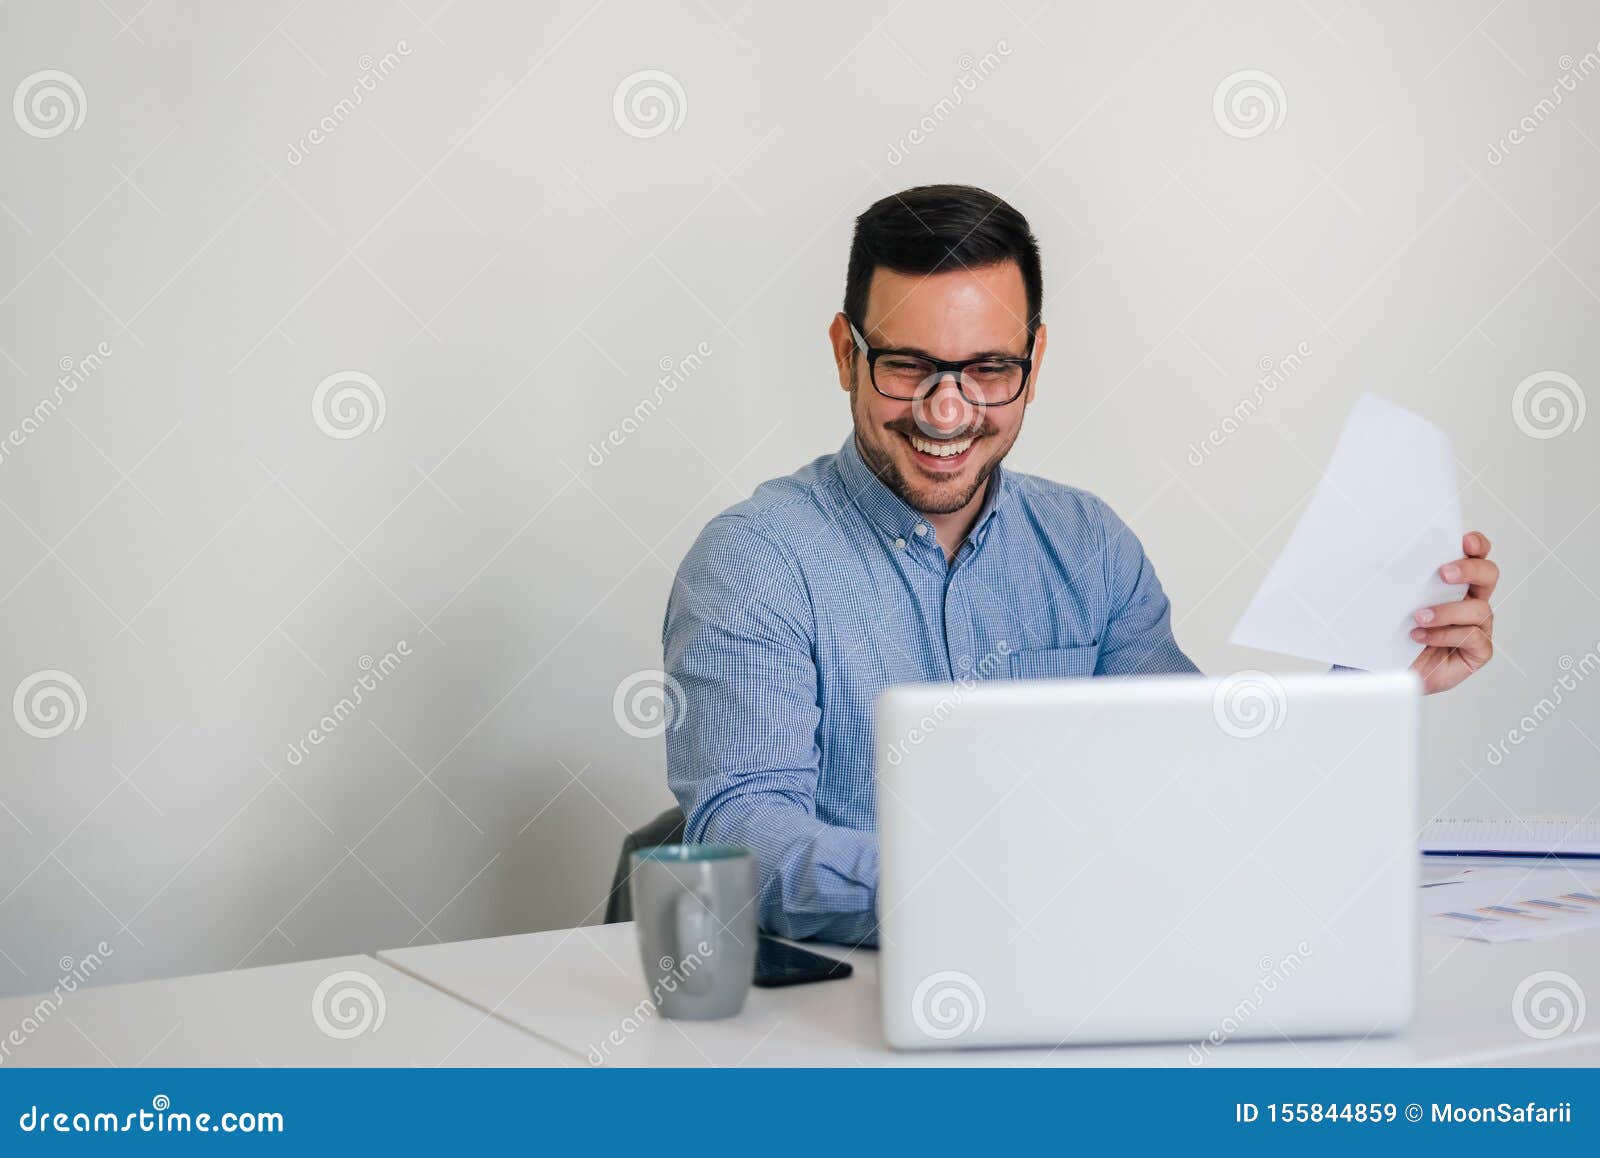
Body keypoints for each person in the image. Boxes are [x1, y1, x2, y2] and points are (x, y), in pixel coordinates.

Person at [663, 184, 1499, 945]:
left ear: (1035, 361)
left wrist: (1380, 674)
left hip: (1087, 992)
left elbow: (1199, 773)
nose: (946, 410)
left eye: (989, 368)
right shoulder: (754, 563)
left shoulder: (1089, 547)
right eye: (908, 364)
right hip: (846, 1028)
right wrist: (975, 890)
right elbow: (741, 833)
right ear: (847, 355)